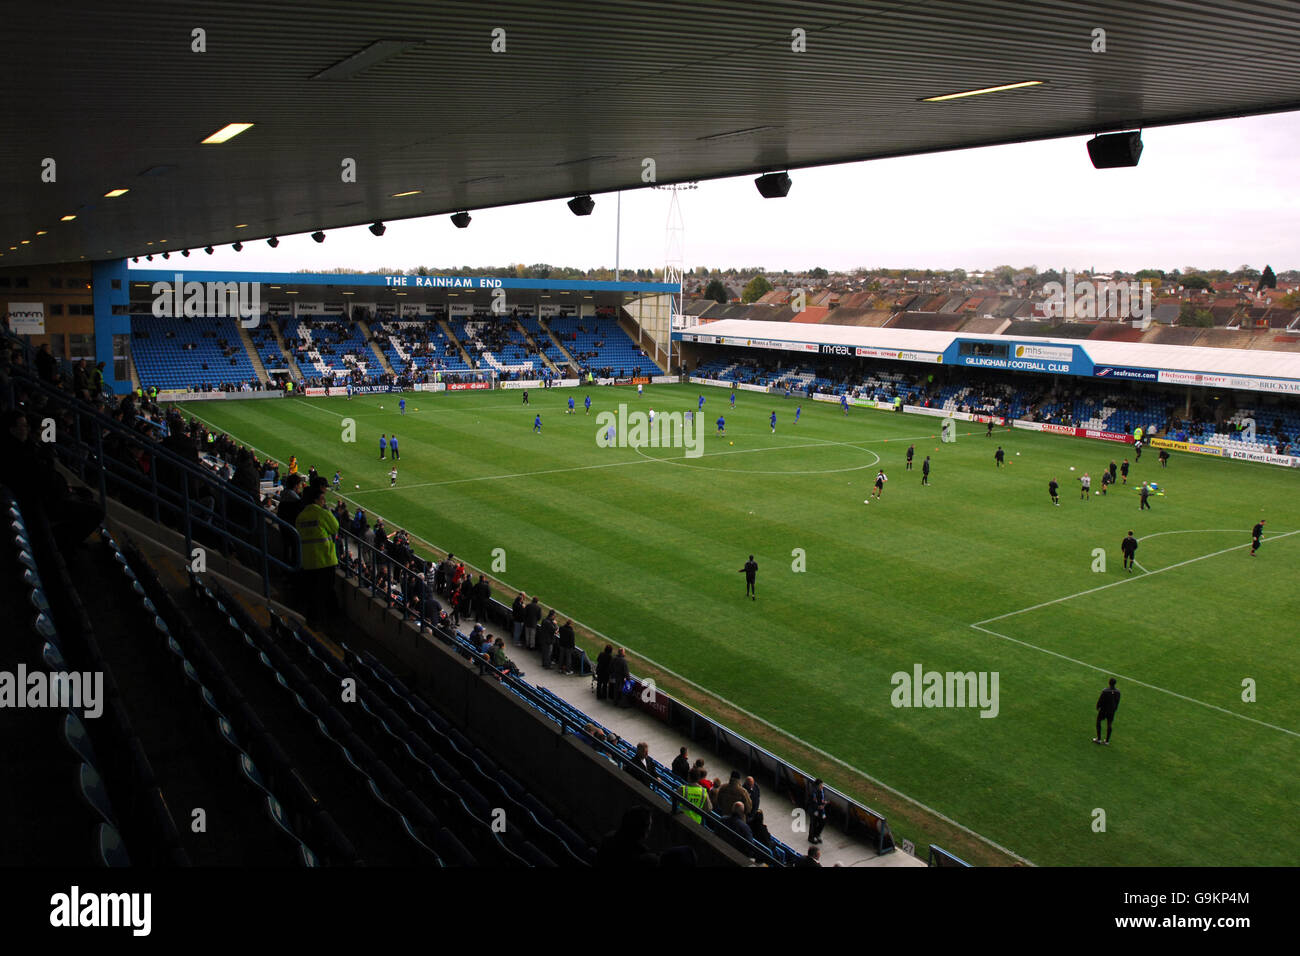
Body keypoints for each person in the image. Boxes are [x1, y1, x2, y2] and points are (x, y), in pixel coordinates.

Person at [295, 477, 339, 625]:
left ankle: (312, 619)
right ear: (316, 500)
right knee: (326, 592)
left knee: (312, 593)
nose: (324, 501)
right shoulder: (321, 513)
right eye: (322, 499)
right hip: (325, 559)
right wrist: (326, 510)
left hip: (308, 561)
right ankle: (326, 622)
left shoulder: (300, 517)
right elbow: (335, 527)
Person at [1094, 677, 1121, 745]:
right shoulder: (1118, 692)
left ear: (1109, 683)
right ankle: (1107, 741)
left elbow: (1101, 700)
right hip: (1111, 711)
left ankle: (1099, 739)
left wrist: (1098, 706)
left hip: (1104, 709)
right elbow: (1117, 701)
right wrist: (1115, 708)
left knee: (1098, 721)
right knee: (1109, 724)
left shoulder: (1105, 691)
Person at [807, 778, 828, 844]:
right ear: (818, 785)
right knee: (813, 823)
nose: (822, 786)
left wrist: (824, 803)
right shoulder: (813, 791)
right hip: (814, 810)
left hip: (821, 810)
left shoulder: (822, 790)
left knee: (823, 822)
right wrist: (819, 806)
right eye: (821, 785)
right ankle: (811, 838)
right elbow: (813, 801)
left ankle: (817, 834)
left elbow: (823, 797)